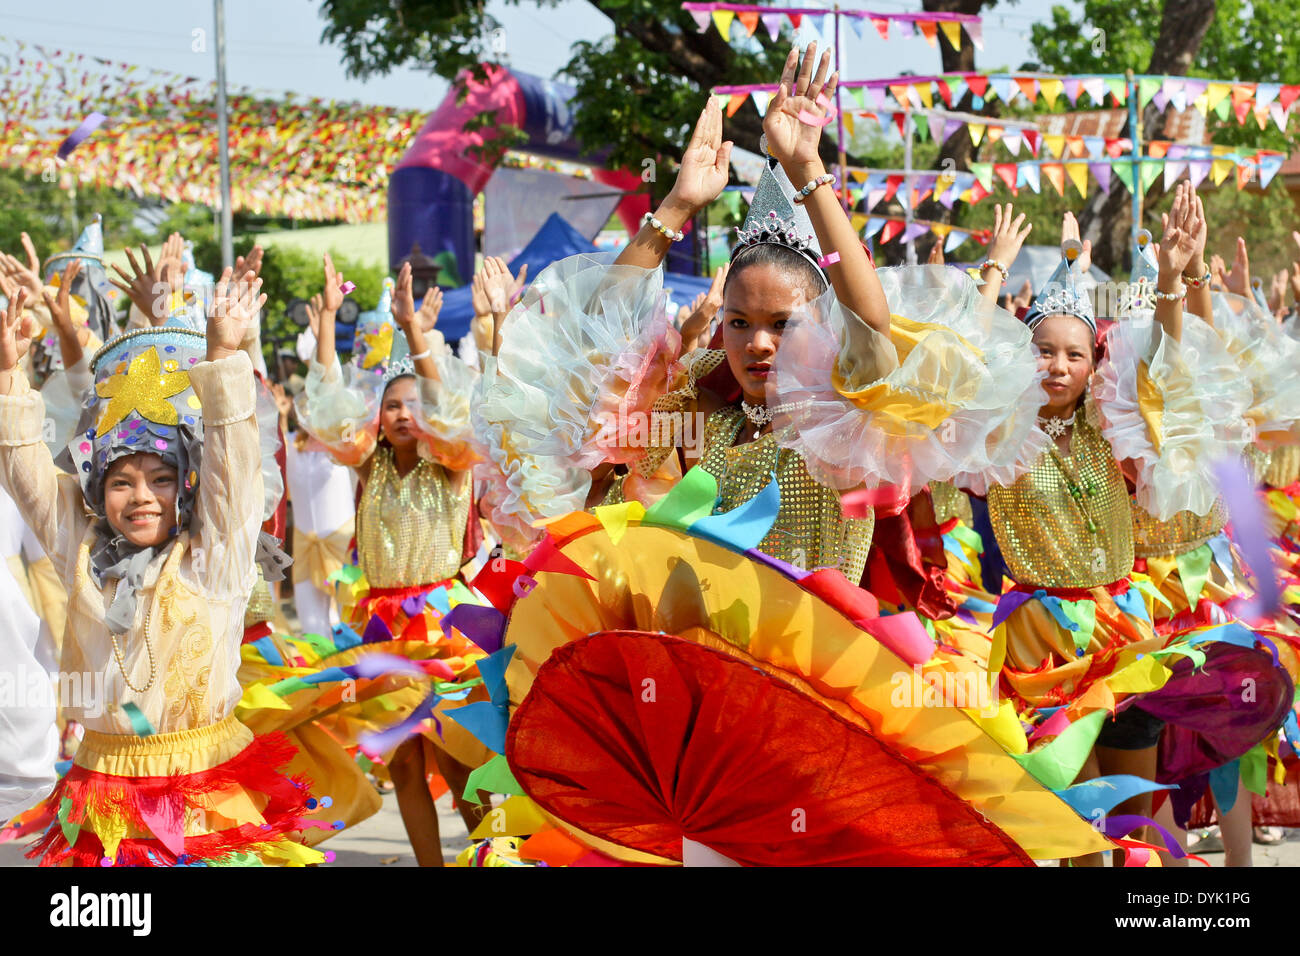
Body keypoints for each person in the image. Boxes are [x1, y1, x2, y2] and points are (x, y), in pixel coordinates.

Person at [0, 268, 327, 866]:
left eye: (161, 479)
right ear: (97, 493)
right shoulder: (81, 551)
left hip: (202, 785)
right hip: (103, 789)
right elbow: (31, 485)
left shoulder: (212, 559)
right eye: (121, 482)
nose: (142, 496)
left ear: (188, 485)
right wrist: (8, 378)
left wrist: (225, 355)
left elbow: (235, 480)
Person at [289, 254, 491, 867]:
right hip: (382, 626)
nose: (404, 413)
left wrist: (413, 335)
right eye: (392, 405)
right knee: (404, 761)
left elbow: (452, 412)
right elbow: (328, 413)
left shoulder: (453, 462)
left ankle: (488, 858)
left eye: (413, 403)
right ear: (377, 417)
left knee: (458, 761)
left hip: (443, 622)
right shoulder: (368, 462)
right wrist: (325, 325)